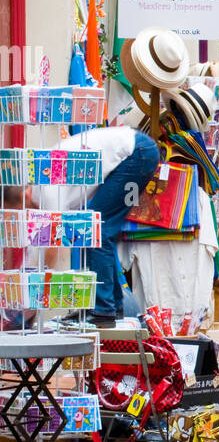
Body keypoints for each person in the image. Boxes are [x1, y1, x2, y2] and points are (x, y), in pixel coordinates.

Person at [46, 125, 160, 326]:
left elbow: (52, 249)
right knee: (100, 228)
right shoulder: (44, 180)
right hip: (140, 152)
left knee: (97, 229)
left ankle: (104, 309)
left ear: (23, 194)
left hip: (137, 153)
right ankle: (111, 305)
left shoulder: (45, 190)